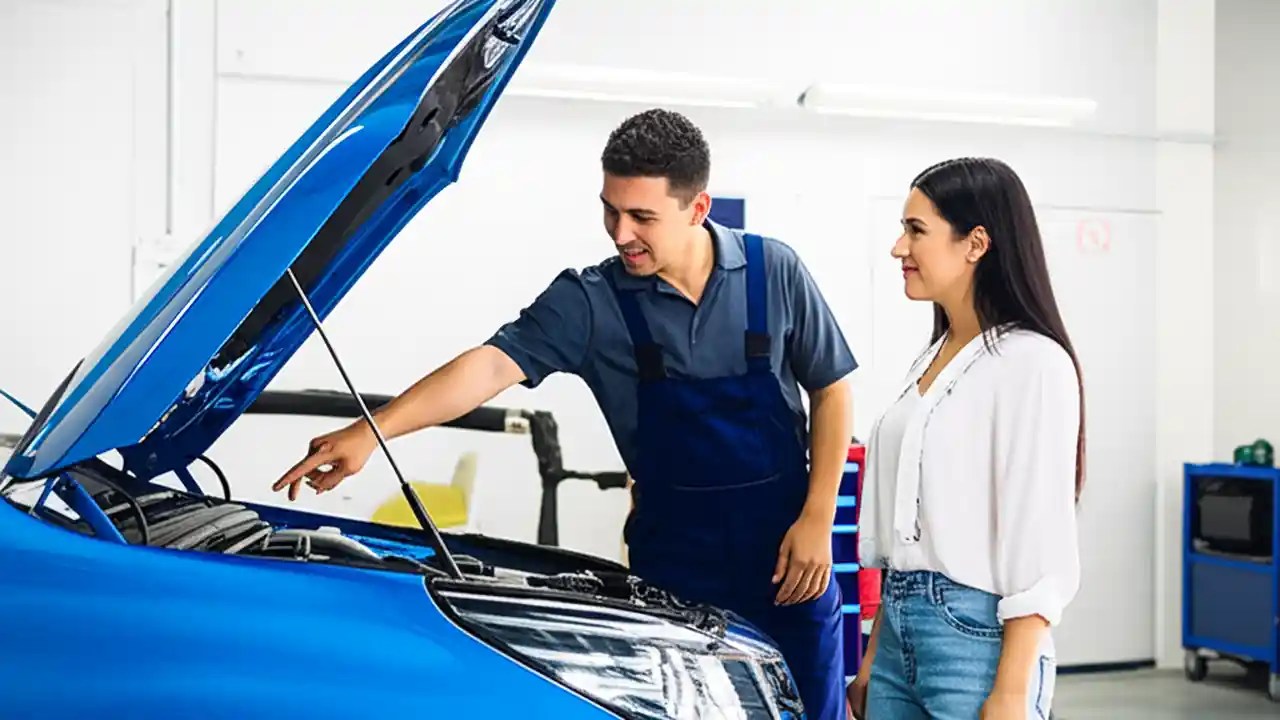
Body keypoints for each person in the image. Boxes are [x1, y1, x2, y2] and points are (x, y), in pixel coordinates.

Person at [273, 108, 858, 720]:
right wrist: (373, 430)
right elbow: (489, 366)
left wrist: (818, 518)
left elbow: (832, 390)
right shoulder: (591, 302)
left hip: (790, 558)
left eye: (642, 217)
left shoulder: (775, 272)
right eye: (610, 209)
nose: (619, 232)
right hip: (678, 566)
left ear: (698, 208)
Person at [847, 157, 1084, 720]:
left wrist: (1010, 692)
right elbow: (904, 539)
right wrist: (874, 655)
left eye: (916, 230)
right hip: (898, 637)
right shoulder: (932, 361)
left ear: (976, 243)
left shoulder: (1032, 362)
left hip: (978, 644)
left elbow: (1039, 539)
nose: (898, 248)